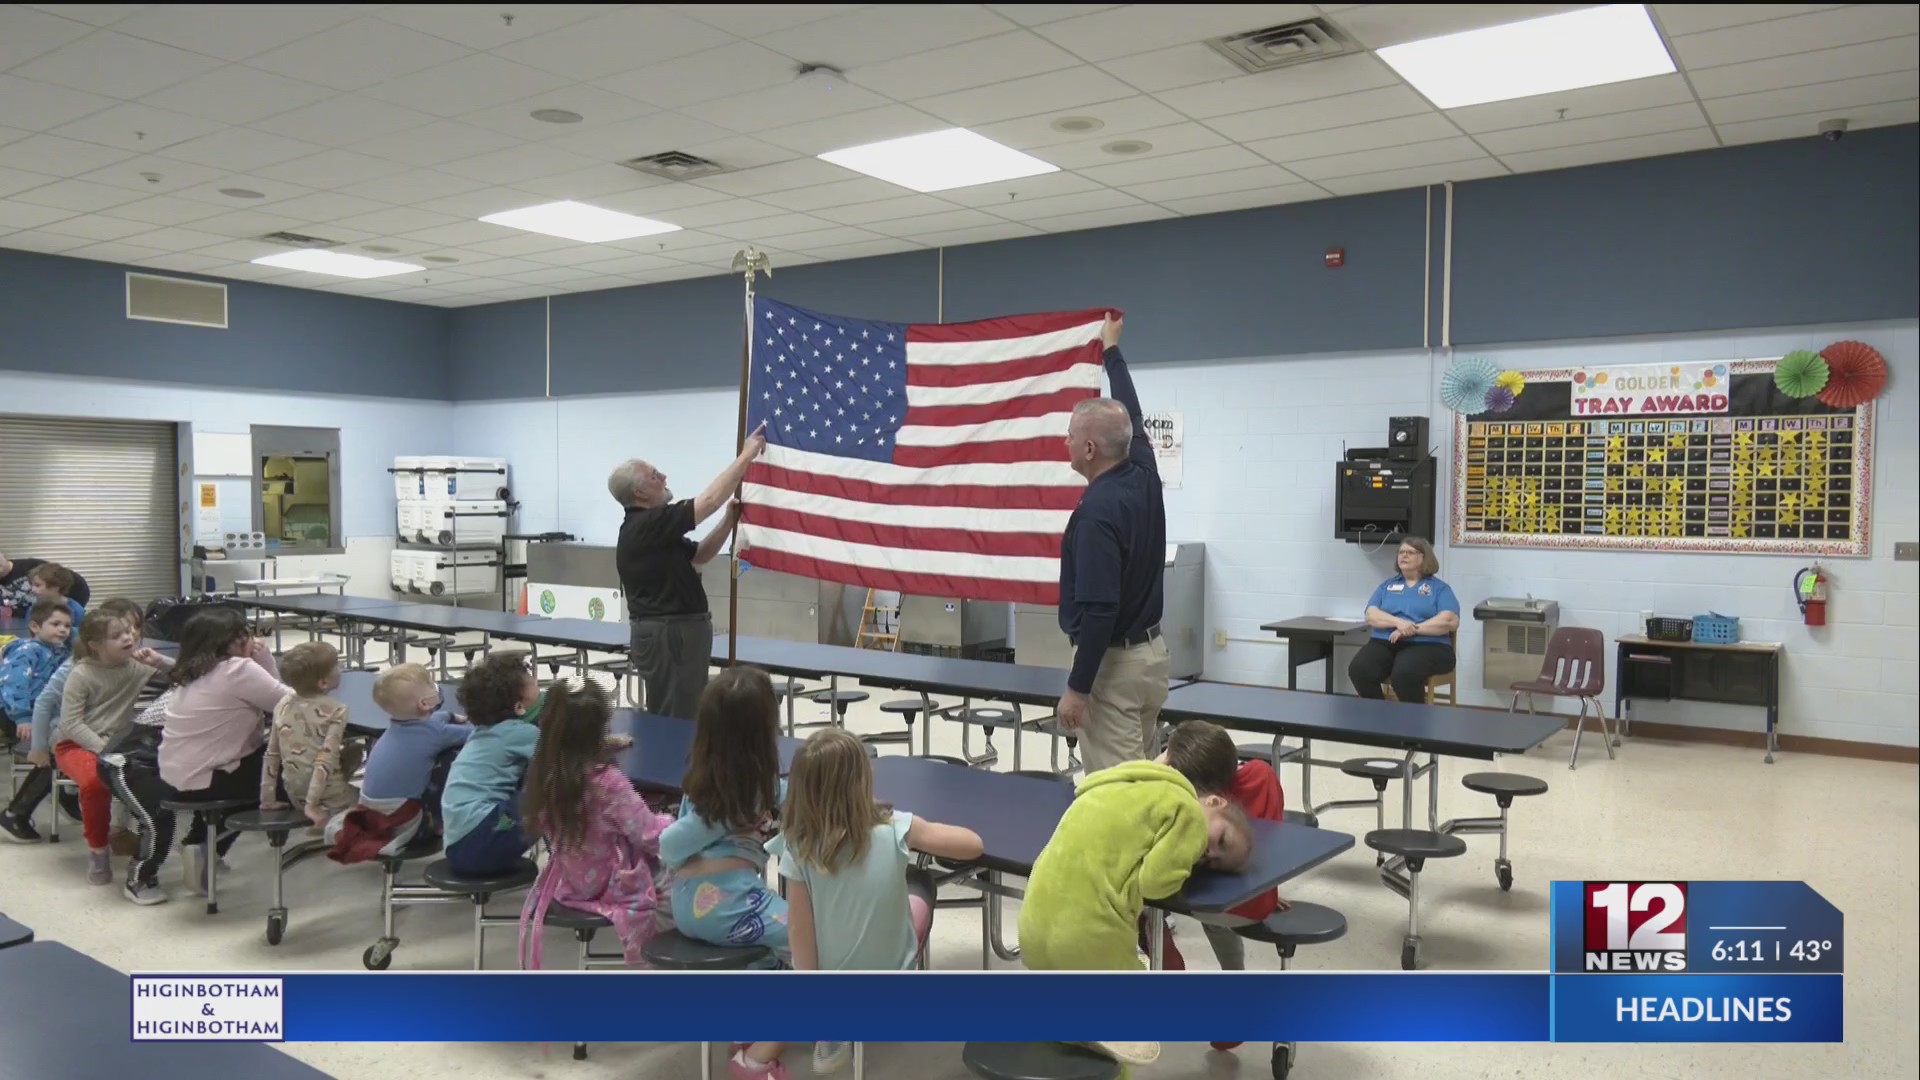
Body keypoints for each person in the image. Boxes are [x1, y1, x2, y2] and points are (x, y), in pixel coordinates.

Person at [747, 728, 984, 1079]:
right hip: (891, 976)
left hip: (830, 984)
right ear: (862, 781)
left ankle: (827, 1026)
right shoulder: (896, 827)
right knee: (918, 890)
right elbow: (973, 845)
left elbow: (800, 927)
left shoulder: (798, 845)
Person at [1019, 758, 1251, 1068]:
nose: (1209, 853)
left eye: (1213, 862)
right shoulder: (1189, 816)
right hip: (1087, 939)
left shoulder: (1127, 781)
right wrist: (1182, 867)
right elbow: (1154, 884)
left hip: (1032, 925)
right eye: (1222, 839)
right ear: (1214, 801)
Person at [1056, 313, 1169, 774]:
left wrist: (1078, 689)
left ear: (1089, 450)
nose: (1064, 442)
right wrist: (1111, 351)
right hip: (1152, 661)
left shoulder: (1096, 515)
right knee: (1144, 774)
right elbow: (1133, 415)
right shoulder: (1144, 473)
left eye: (1070, 436)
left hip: (1115, 668)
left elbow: (1100, 610)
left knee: (1119, 791)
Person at [608, 422, 767, 719]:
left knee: (685, 709)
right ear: (640, 491)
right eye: (655, 475)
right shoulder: (646, 525)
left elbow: (701, 555)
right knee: (678, 716)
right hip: (670, 635)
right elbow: (708, 502)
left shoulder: (652, 529)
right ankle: (673, 765)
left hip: (677, 633)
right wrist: (747, 456)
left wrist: (729, 521)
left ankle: (679, 762)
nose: (664, 477)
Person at [516, 680, 670, 971]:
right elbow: (650, 836)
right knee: (679, 885)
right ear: (600, 727)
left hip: (571, 879)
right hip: (612, 884)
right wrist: (672, 821)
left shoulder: (545, 769)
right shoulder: (608, 782)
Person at [1160, 720, 1290, 1054]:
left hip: (1198, 903)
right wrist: (1266, 886)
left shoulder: (1181, 803)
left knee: (1139, 891)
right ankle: (1234, 984)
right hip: (1258, 900)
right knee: (1217, 895)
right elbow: (1270, 838)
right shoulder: (1260, 777)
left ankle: (1160, 951)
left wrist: (1161, 765)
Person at [658, 665, 789, 967]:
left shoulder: (701, 787)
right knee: (813, 936)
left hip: (689, 903)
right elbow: (668, 845)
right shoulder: (749, 795)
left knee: (769, 960)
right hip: (728, 907)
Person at [160, 608, 292, 890]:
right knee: (294, 770)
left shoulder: (191, 671)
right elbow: (287, 704)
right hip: (214, 776)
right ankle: (207, 847)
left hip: (179, 773)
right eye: (245, 634)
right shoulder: (238, 669)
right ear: (232, 641)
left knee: (257, 763)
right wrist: (265, 661)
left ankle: (201, 844)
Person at [4, 599, 147, 844]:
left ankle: (69, 798)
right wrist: (37, 744)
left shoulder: (118, 658)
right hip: (48, 721)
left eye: (134, 628)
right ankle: (17, 812)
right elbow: (44, 704)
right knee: (56, 752)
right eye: (123, 630)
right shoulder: (77, 664)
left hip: (83, 724)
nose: (130, 635)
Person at [54, 610, 166, 884]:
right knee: (94, 783)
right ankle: (98, 851)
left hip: (119, 745)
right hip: (76, 744)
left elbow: (185, 675)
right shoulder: (81, 673)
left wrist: (160, 660)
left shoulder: (138, 667)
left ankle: (135, 837)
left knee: (153, 773)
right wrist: (105, 750)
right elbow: (71, 724)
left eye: (129, 631)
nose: (128, 638)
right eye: (117, 636)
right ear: (95, 645)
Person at [331, 663, 471, 864]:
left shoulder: (396, 727)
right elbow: (474, 734)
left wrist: (450, 716)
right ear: (425, 703)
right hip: (402, 820)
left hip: (371, 810)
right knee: (451, 757)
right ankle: (441, 824)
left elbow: (434, 720)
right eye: (431, 684)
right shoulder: (434, 734)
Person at [441, 652, 543, 877]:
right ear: (519, 707)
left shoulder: (483, 731)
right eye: (532, 682)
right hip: (483, 838)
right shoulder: (519, 732)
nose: (537, 682)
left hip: (458, 844)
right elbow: (565, 751)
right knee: (550, 794)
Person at [259, 642, 357, 843]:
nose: (340, 670)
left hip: (295, 794)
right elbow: (325, 759)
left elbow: (272, 754)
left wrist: (267, 799)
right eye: (336, 666)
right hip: (324, 797)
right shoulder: (336, 710)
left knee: (355, 750)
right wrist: (312, 807)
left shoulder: (283, 703)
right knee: (366, 801)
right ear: (323, 682)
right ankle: (334, 822)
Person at [1349, 536, 1461, 703]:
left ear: (1424, 557)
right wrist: (1399, 623)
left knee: (1404, 674)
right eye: (1401, 552)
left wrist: (1411, 629)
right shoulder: (1387, 586)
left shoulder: (1439, 588)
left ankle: (1413, 725)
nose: (1404, 556)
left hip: (1428, 645)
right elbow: (1371, 615)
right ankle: (1378, 717)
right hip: (1386, 643)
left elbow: (1449, 621)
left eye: (1410, 552)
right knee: (1359, 669)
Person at [0, 599, 73, 744]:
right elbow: (14, 683)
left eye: (67, 626)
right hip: (15, 713)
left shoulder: (59, 651)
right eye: (56, 624)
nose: (63, 629)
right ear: (35, 627)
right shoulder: (28, 651)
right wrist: (22, 717)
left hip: (40, 711)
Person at [0, 553, 90, 614]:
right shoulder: (33, 609)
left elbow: (63, 578)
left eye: (37, 585)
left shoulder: (32, 565)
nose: (33, 589)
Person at [24, 564, 86, 630]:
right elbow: (29, 635)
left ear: (56, 586)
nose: (32, 590)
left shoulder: (76, 611)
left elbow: (78, 636)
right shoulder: (33, 608)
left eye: (37, 585)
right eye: (32, 585)